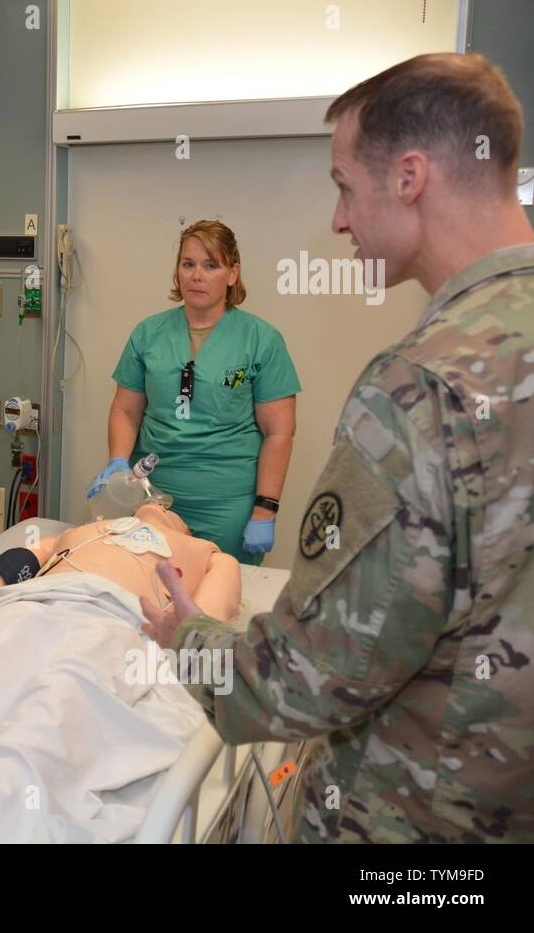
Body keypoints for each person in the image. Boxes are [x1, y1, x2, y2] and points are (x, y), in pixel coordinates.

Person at [145, 52, 534, 842]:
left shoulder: (422, 386)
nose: (339, 220)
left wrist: (184, 638)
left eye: (343, 186)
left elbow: (305, 679)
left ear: (410, 176)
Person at [87, 220, 301, 563]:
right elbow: (126, 410)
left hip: (227, 503)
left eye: (210, 265)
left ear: (232, 274)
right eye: (188, 264)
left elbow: (279, 431)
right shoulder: (148, 334)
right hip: (152, 497)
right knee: (152, 594)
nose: (196, 275)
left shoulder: (261, 340)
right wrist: (116, 462)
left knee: (217, 601)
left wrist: (266, 509)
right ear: (177, 272)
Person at [0, 503, 240, 625]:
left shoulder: (204, 552)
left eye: (168, 508)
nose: (160, 505)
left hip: (107, 620)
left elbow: (202, 630)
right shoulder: (79, 533)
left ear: (185, 529)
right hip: (28, 606)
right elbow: (9, 569)